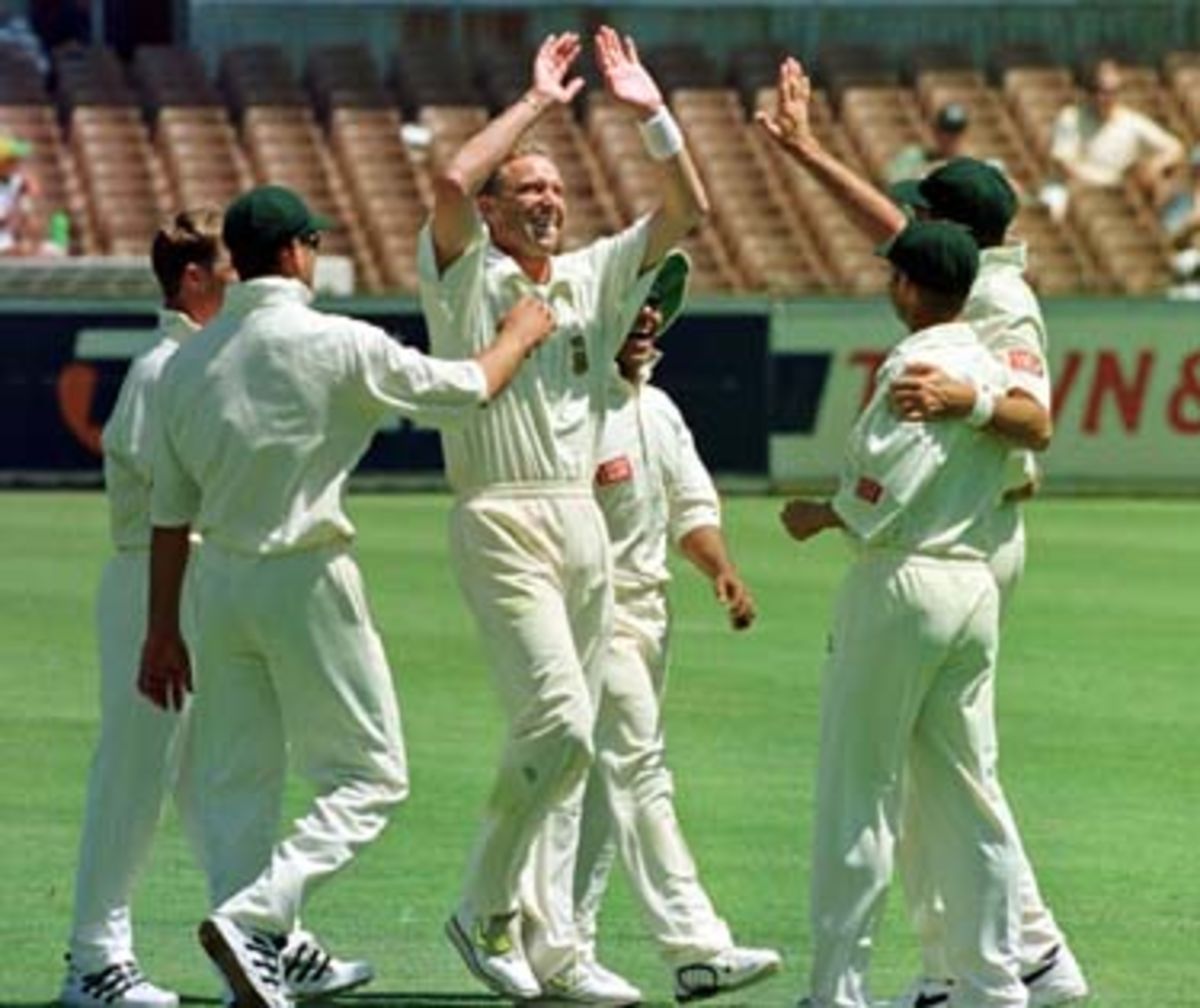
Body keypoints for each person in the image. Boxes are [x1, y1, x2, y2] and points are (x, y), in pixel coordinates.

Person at [138, 184, 553, 1008]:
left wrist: (161, 629)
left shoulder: (184, 362)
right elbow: (468, 390)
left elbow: (167, 515)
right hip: (307, 574)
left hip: (214, 583)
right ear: (296, 253)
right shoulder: (337, 342)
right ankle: (258, 917)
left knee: (237, 782)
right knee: (371, 776)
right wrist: (520, 332)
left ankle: (250, 960)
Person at [757, 57, 1087, 1007]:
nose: (906, 231)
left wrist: (965, 393)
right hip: (960, 551)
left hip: (963, 543)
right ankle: (992, 968)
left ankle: (1010, 958)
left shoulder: (1004, 303)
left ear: (959, 235)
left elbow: (1036, 420)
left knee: (922, 776)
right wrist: (810, 153)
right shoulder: (963, 275)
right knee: (946, 769)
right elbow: (893, 233)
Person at [418, 26, 708, 1002]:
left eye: (553, 188)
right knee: (557, 726)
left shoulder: (592, 276)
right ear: (499, 207)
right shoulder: (463, 275)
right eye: (526, 188)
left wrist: (651, 114)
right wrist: (538, 103)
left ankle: (560, 950)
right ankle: (481, 909)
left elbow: (688, 211)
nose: (544, 200)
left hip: (582, 521)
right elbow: (452, 184)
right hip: (500, 514)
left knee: (573, 742)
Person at [782, 220, 1031, 1007]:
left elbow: (876, 501)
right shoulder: (989, 368)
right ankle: (993, 986)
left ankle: (837, 993)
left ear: (911, 287)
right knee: (968, 795)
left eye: (893, 276)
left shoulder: (917, 363)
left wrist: (817, 515)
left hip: (901, 581)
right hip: (971, 584)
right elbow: (1023, 462)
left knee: (858, 792)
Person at [570, 250, 782, 1003]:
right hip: (589, 620)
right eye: (634, 303)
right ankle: (696, 947)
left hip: (652, 619)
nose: (649, 316)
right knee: (638, 771)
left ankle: (559, 946)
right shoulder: (574, 407)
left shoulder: (657, 409)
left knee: (600, 790)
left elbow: (692, 508)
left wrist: (721, 571)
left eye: (657, 305)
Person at [1041, 58, 1184, 221]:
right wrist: (1107, 181)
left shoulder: (1131, 121)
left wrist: (1154, 165)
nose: (1107, 97)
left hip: (1119, 191)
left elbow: (1175, 148)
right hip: (1075, 187)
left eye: (1113, 91)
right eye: (1101, 90)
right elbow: (1064, 165)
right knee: (1053, 202)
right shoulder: (1071, 118)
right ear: (1088, 92)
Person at [886, 103, 970, 185]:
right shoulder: (913, 157)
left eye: (955, 132)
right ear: (934, 132)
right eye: (944, 130)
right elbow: (896, 185)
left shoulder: (968, 166)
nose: (948, 137)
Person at [0, 133, 41, 256]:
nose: (16, 165)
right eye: (11, 161)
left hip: (7, 239)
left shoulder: (17, 182)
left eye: (16, 161)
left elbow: (29, 217)